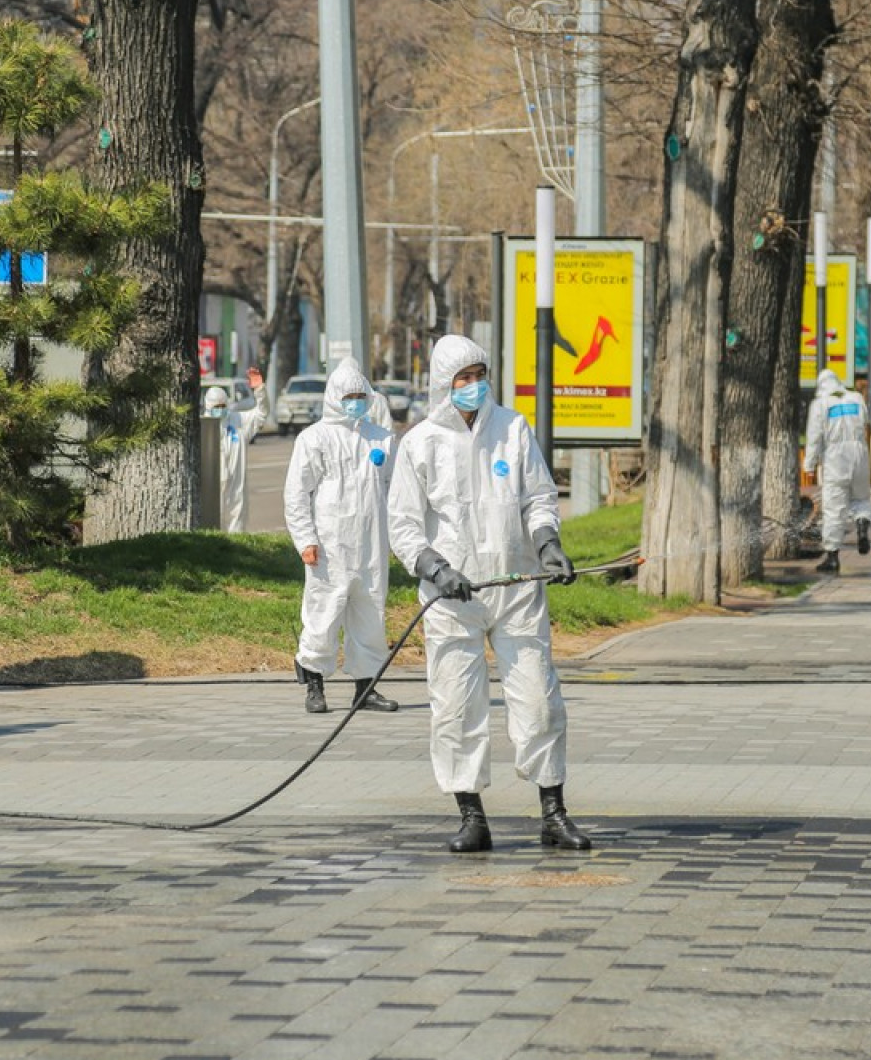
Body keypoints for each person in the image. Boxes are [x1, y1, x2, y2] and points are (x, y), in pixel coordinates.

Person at [387, 334, 590, 854]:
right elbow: (403, 526)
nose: (475, 386)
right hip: (452, 601)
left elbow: (538, 497)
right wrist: (436, 568)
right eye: (464, 378)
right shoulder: (420, 443)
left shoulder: (512, 429)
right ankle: (471, 816)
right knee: (456, 707)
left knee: (540, 703)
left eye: (480, 375)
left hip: (517, 590)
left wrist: (547, 544)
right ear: (443, 385)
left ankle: (553, 813)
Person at [284, 360, 400, 716]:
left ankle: (366, 689)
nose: (354, 402)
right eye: (348, 396)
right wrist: (305, 539)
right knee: (323, 613)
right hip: (329, 546)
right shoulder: (314, 438)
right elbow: (296, 493)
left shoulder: (381, 439)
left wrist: (399, 539)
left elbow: (397, 491)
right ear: (334, 397)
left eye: (360, 396)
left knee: (371, 614)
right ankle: (314, 685)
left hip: (371, 545)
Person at [802, 368, 871, 575]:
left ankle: (832, 557)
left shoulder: (820, 404)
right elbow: (866, 425)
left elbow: (814, 437)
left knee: (834, 508)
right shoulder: (856, 398)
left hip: (835, 457)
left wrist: (809, 465)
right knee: (861, 498)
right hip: (859, 454)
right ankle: (862, 524)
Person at [205, 367, 268, 532]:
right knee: (213, 526)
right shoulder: (203, 427)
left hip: (236, 487)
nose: (220, 409)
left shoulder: (238, 420)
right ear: (208, 406)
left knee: (237, 525)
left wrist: (260, 391)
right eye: (216, 406)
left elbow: (261, 414)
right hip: (212, 489)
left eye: (223, 405)